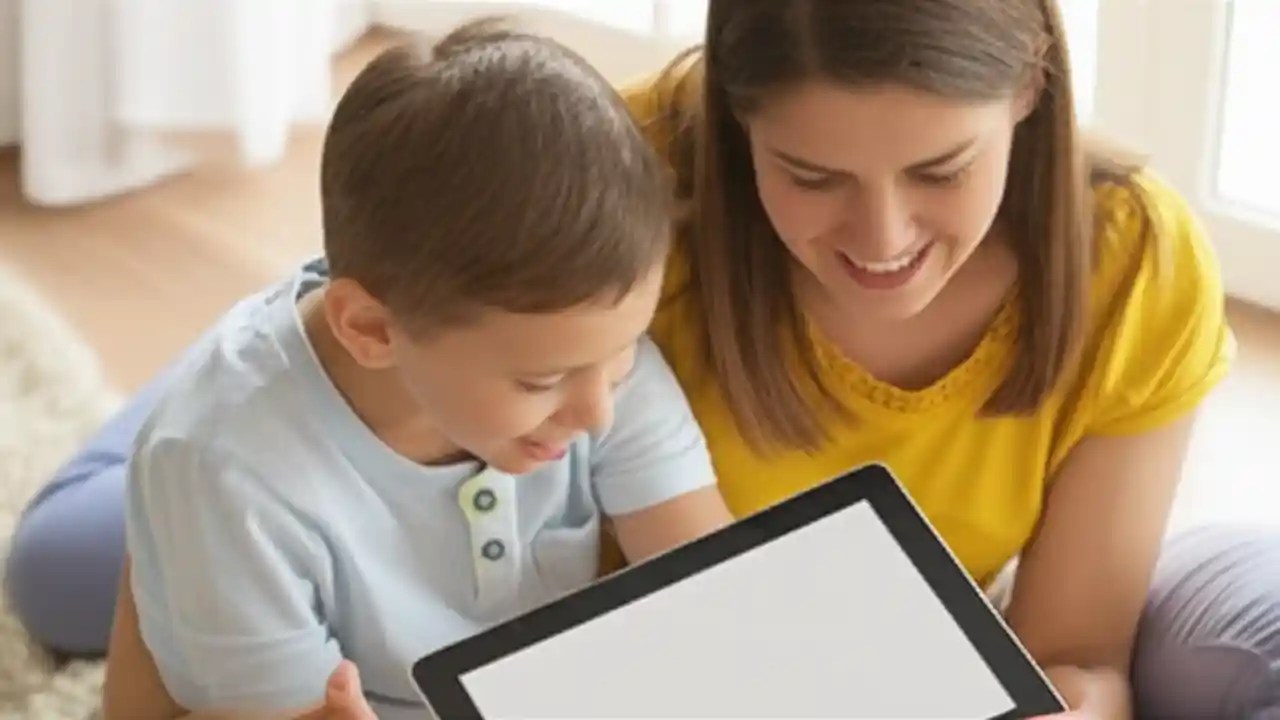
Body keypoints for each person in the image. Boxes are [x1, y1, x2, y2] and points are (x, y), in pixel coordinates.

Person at [6, 1, 1280, 718]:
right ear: (731, 133)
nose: (882, 239)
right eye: (811, 177)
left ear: (1030, 92)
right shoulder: (612, 189)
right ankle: (270, 350)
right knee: (78, 566)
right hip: (418, 442)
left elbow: (1068, 655)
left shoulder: (1126, 256)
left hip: (515, 497)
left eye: (939, 170)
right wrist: (228, 469)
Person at [76, 22, 731, 719]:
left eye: (624, 351)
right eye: (540, 382)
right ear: (371, 330)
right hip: (219, 468)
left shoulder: (585, 361)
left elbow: (720, 593)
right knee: (55, 575)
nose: (598, 411)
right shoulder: (225, 473)